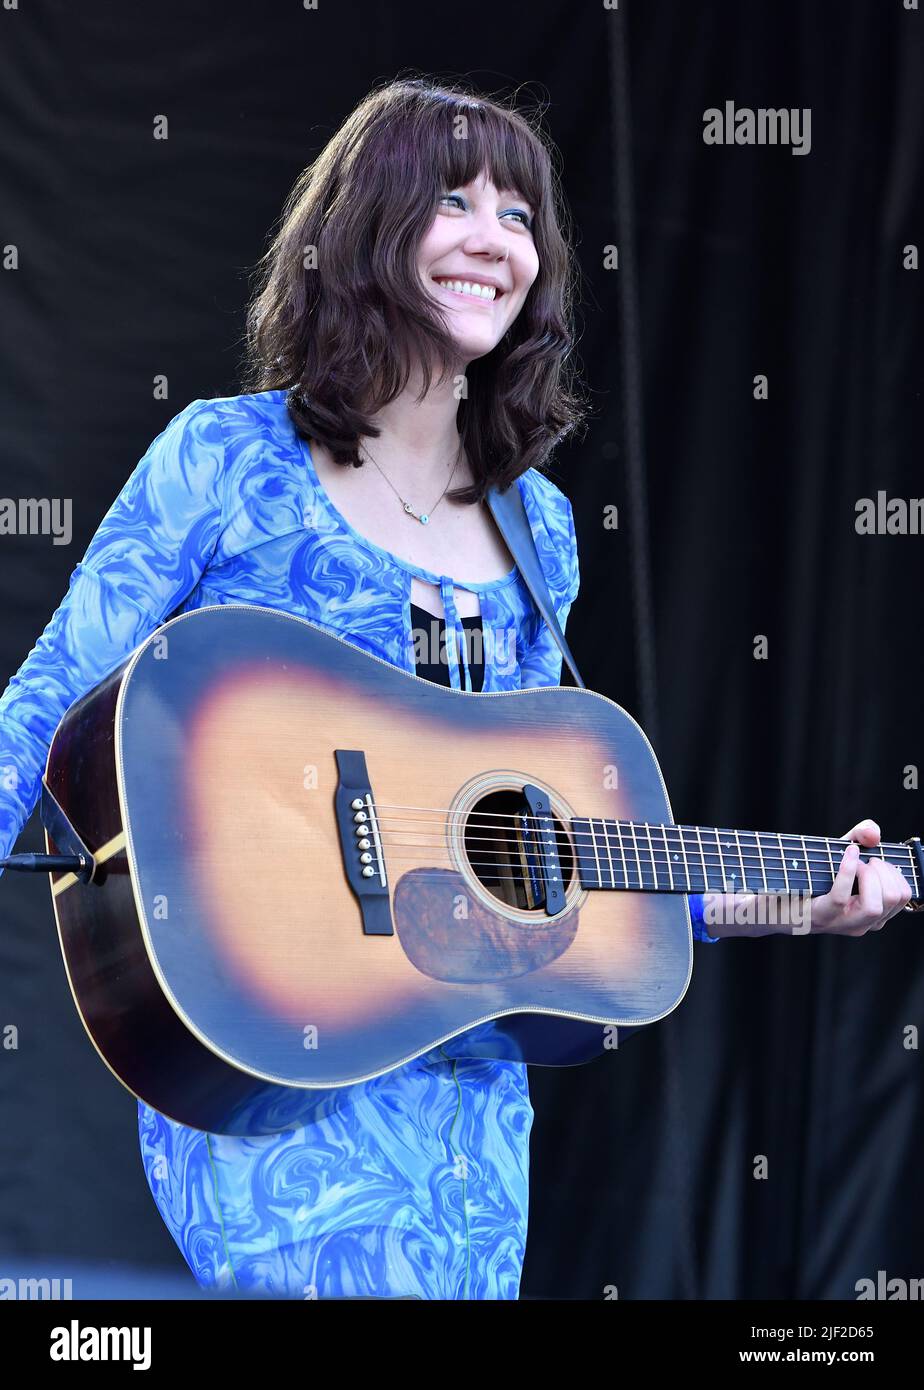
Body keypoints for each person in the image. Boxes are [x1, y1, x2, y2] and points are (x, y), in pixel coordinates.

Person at [0, 78, 911, 1302]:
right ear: (367, 225)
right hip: (274, 1053)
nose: (497, 237)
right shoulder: (222, 458)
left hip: (468, 1098)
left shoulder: (541, 527)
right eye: (453, 198)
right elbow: (46, 704)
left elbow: (540, 864)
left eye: (522, 215)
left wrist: (798, 905)